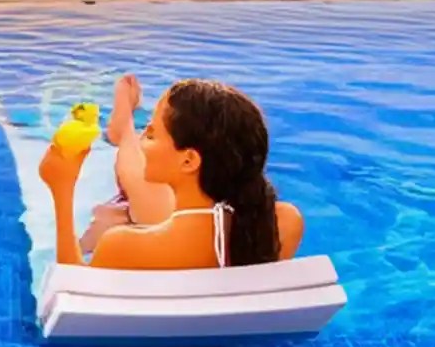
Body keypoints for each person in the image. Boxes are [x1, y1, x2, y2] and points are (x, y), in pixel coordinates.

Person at [43, 75, 304, 270]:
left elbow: (73, 290)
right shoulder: (283, 224)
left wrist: (61, 189)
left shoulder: (121, 246)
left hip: (160, 234)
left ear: (190, 160)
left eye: (152, 133)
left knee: (138, 182)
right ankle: (124, 128)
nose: (144, 138)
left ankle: (123, 130)